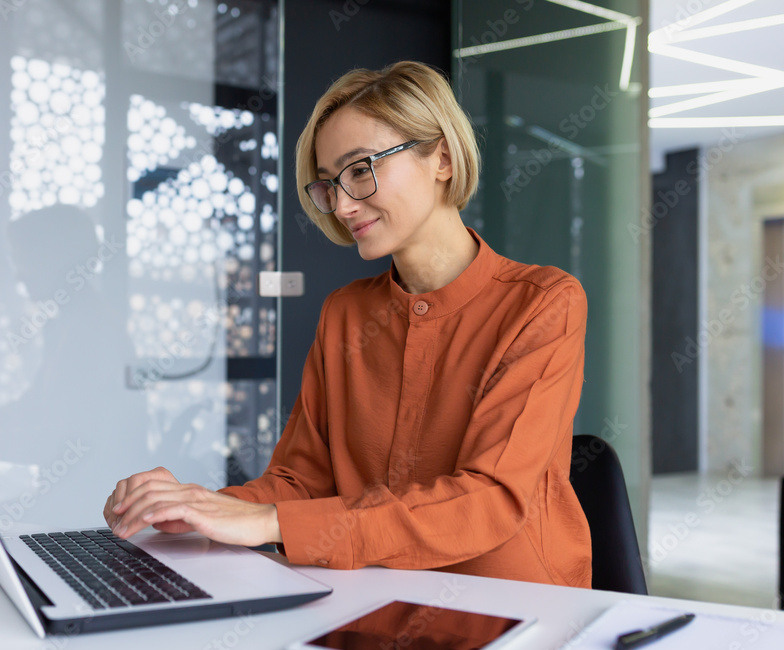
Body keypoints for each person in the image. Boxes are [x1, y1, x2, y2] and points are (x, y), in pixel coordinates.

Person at [102, 61, 592, 587]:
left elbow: (489, 500)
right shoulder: (346, 313)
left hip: (511, 605)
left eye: (361, 169)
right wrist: (200, 507)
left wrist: (267, 522)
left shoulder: (544, 305)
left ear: (442, 159)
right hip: (366, 594)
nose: (341, 203)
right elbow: (301, 481)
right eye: (329, 184)